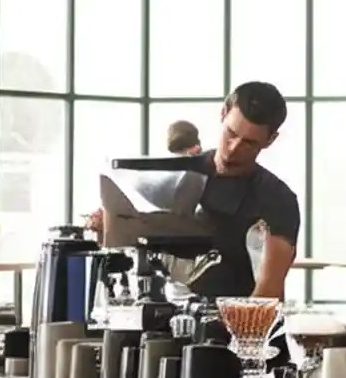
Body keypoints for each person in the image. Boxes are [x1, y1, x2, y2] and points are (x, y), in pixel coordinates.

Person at [87, 81, 299, 300]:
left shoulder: (277, 200)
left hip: (233, 324)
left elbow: (268, 292)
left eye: (249, 143)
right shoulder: (178, 175)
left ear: (270, 140)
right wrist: (108, 224)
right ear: (223, 113)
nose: (234, 147)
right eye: (231, 133)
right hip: (159, 314)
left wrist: (241, 330)